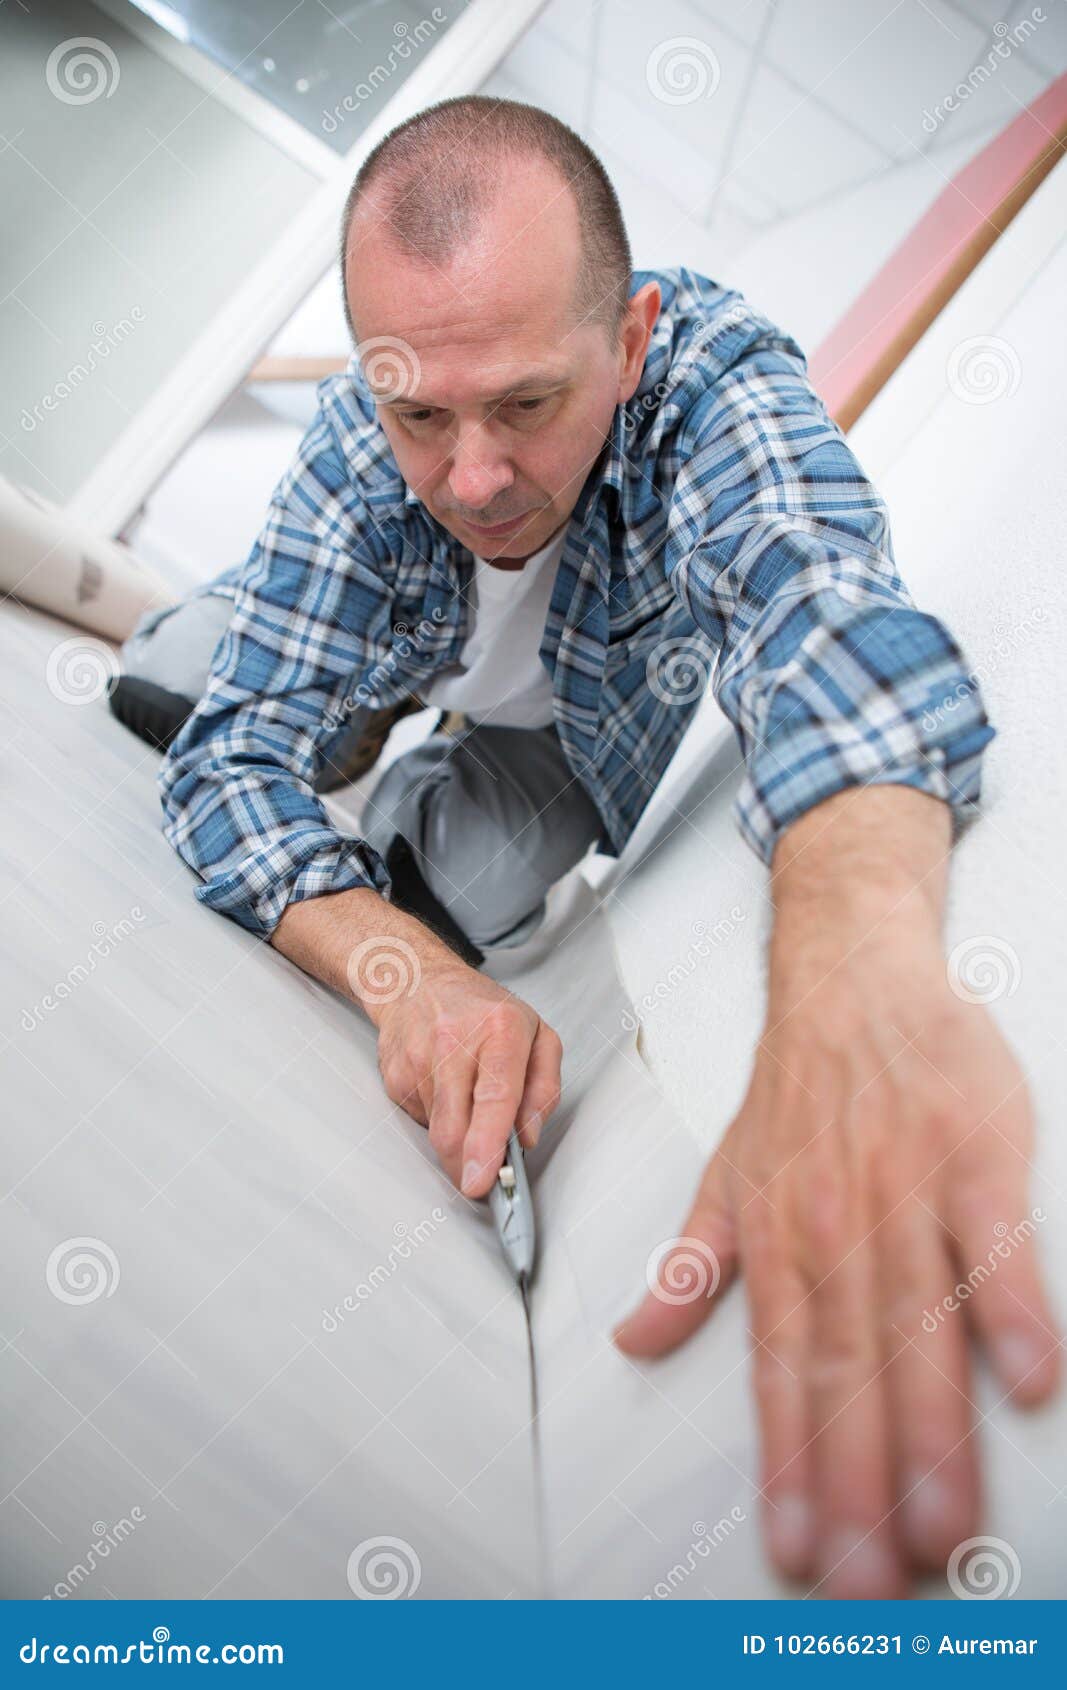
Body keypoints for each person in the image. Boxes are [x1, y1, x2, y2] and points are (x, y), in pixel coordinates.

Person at [109, 95, 1059, 1598]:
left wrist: (857, 968)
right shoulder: (363, 453)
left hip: (557, 738)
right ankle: (310, 683)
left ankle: (400, 773)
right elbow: (229, 766)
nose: (476, 478)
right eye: (421, 414)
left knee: (464, 885)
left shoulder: (704, 373)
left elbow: (818, 612)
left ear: (626, 343)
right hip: (381, 649)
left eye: (530, 408)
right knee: (193, 682)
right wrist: (400, 979)